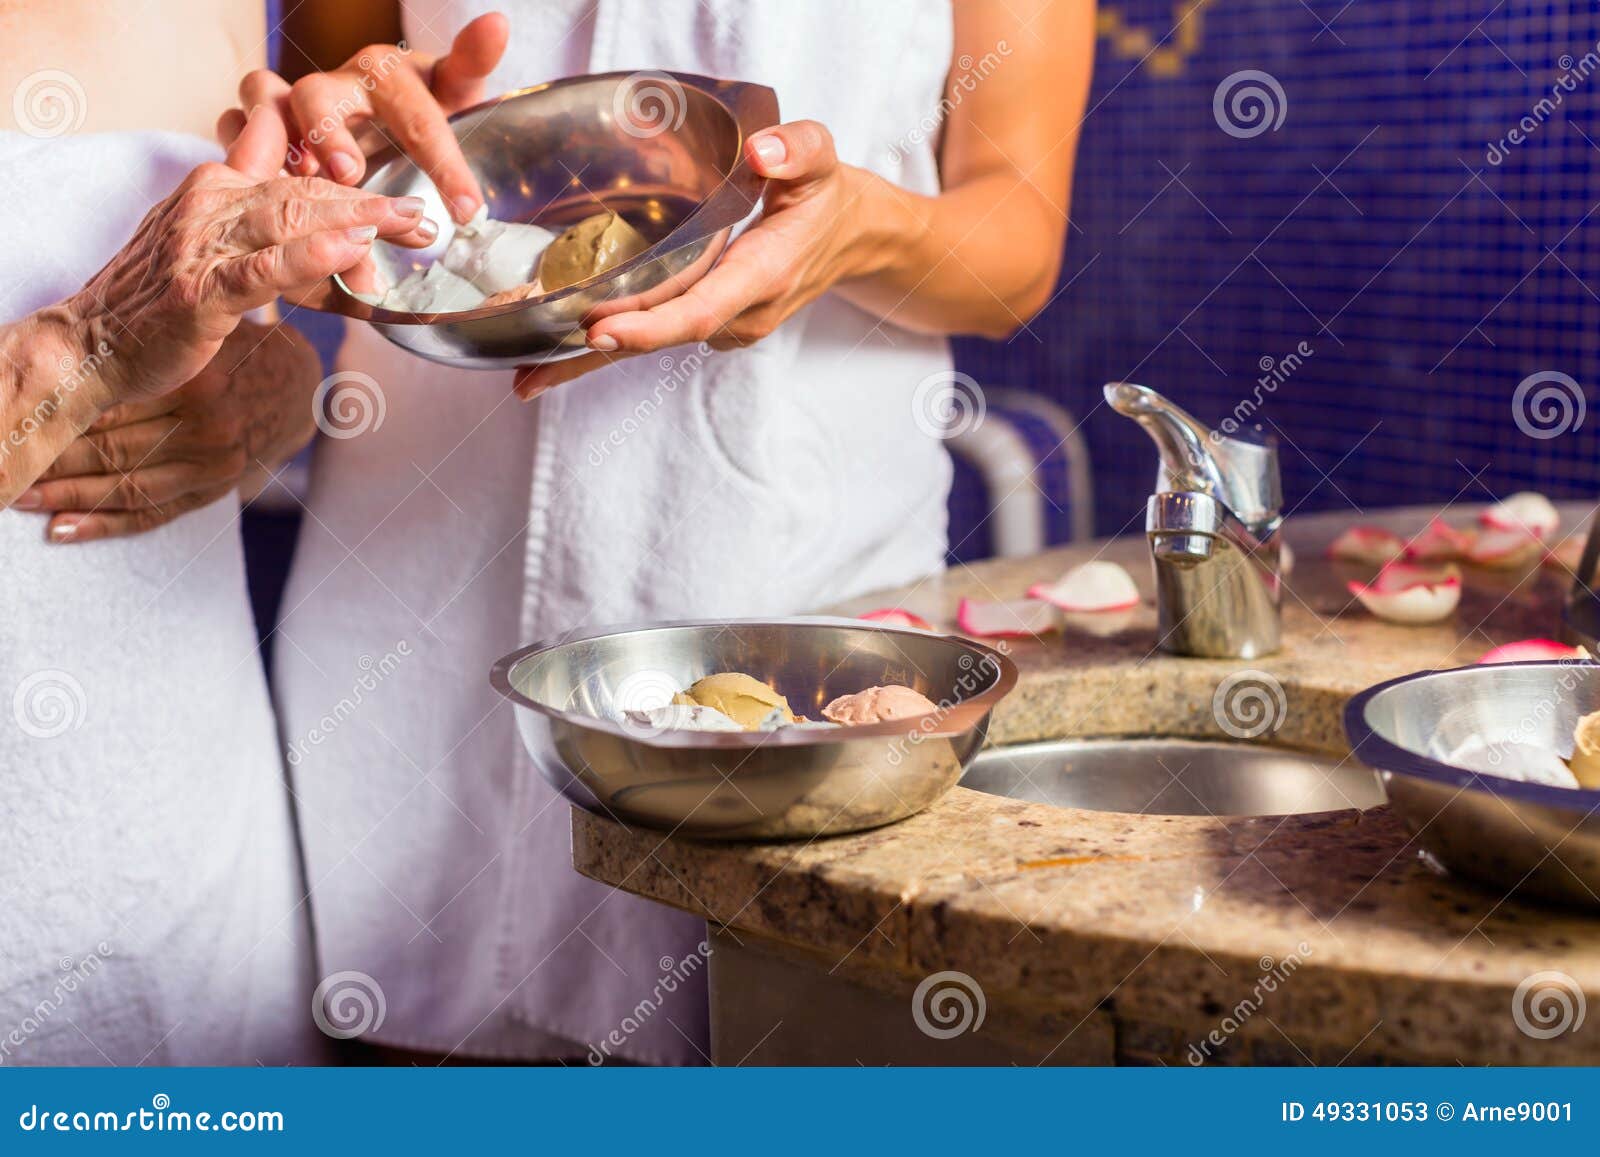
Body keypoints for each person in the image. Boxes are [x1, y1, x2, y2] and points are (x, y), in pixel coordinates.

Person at [48, 0, 1093, 1063]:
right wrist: (342, 141)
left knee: (771, 1040)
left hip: (787, 582)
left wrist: (856, 224)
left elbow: (1014, 239)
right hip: (413, 610)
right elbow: (321, 143)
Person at [0, 5, 427, 1063]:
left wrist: (275, 390)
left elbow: (215, 328)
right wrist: (77, 348)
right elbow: (114, 333)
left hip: (192, 891)